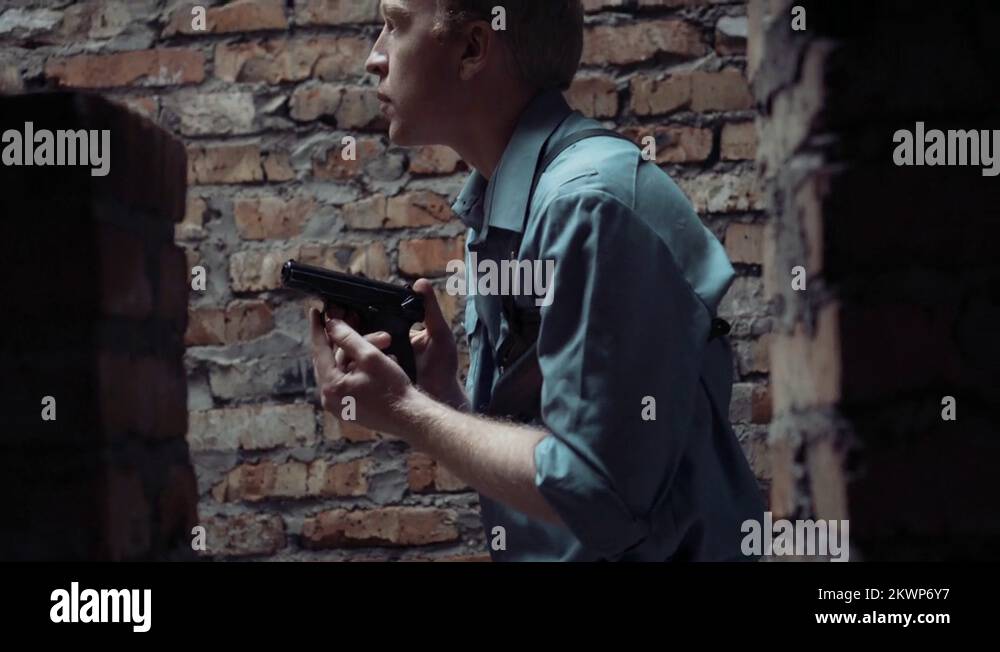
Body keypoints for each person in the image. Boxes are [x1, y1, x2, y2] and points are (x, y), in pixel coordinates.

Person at [309, 0, 765, 561]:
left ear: (474, 48)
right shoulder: (507, 202)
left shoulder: (587, 204)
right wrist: (444, 397)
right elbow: (551, 460)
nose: (372, 58)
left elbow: (596, 484)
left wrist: (408, 412)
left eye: (395, 25)